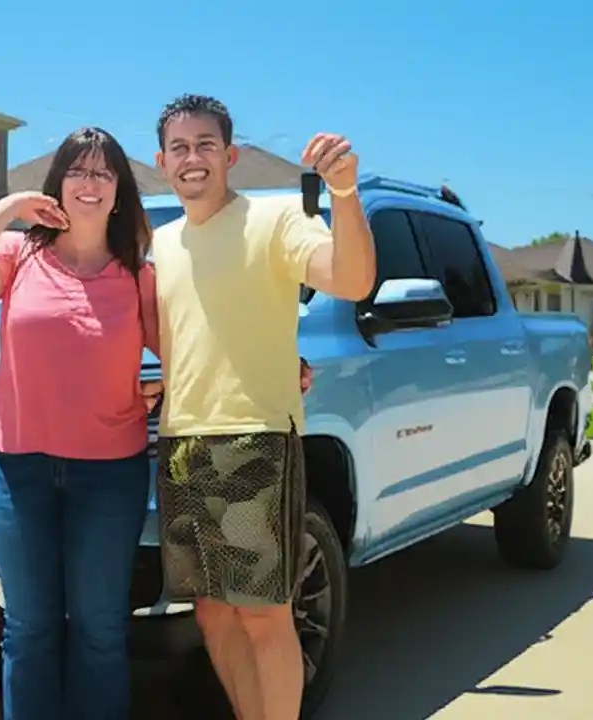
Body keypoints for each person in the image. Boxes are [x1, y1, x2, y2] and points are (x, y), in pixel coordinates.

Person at [150, 94, 377, 720]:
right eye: (179, 147)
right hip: (180, 445)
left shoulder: (275, 219)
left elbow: (353, 280)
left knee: (263, 612)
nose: (192, 158)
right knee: (213, 612)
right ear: (160, 161)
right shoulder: (161, 245)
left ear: (231, 154)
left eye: (205, 145)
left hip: (255, 442)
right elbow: (168, 333)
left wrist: (345, 194)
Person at [0, 127, 160, 720]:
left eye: (103, 173)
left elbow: (189, 350)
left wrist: (172, 383)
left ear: (119, 192)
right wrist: (11, 205)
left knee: (99, 629)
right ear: (57, 183)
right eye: (77, 171)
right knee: (29, 628)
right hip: (18, 472)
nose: (90, 183)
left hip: (110, 475)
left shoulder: (139, 274)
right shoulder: (18, 256)